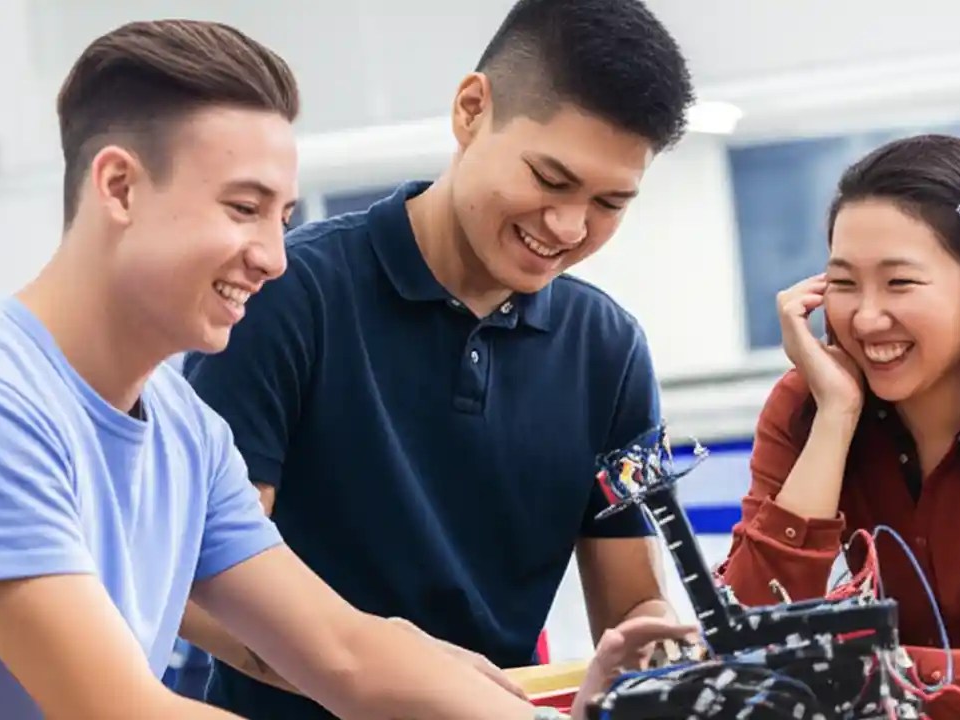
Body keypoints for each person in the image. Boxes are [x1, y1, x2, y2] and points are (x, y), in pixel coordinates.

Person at [0, 19, 693, 720]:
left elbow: (349, 650)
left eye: (283, 217)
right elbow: (117, 710)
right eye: (243, 209)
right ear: (120, 188)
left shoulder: (187, 438)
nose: (275, 257)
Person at [180, 0, 696, 717]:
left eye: (610, 202)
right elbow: (197, 580)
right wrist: (385, 681)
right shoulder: (286, 297)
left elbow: (633, 605)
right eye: (550, 179)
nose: (570, 226)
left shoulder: (608, 350)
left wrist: (667, 660)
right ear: (471, 109)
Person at [717, 134, 960, 718]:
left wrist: (817, 664)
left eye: (899, 282)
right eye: (844, 284)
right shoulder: (811, 404)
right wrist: (835, 418)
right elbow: (748, 632)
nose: (867, 316)